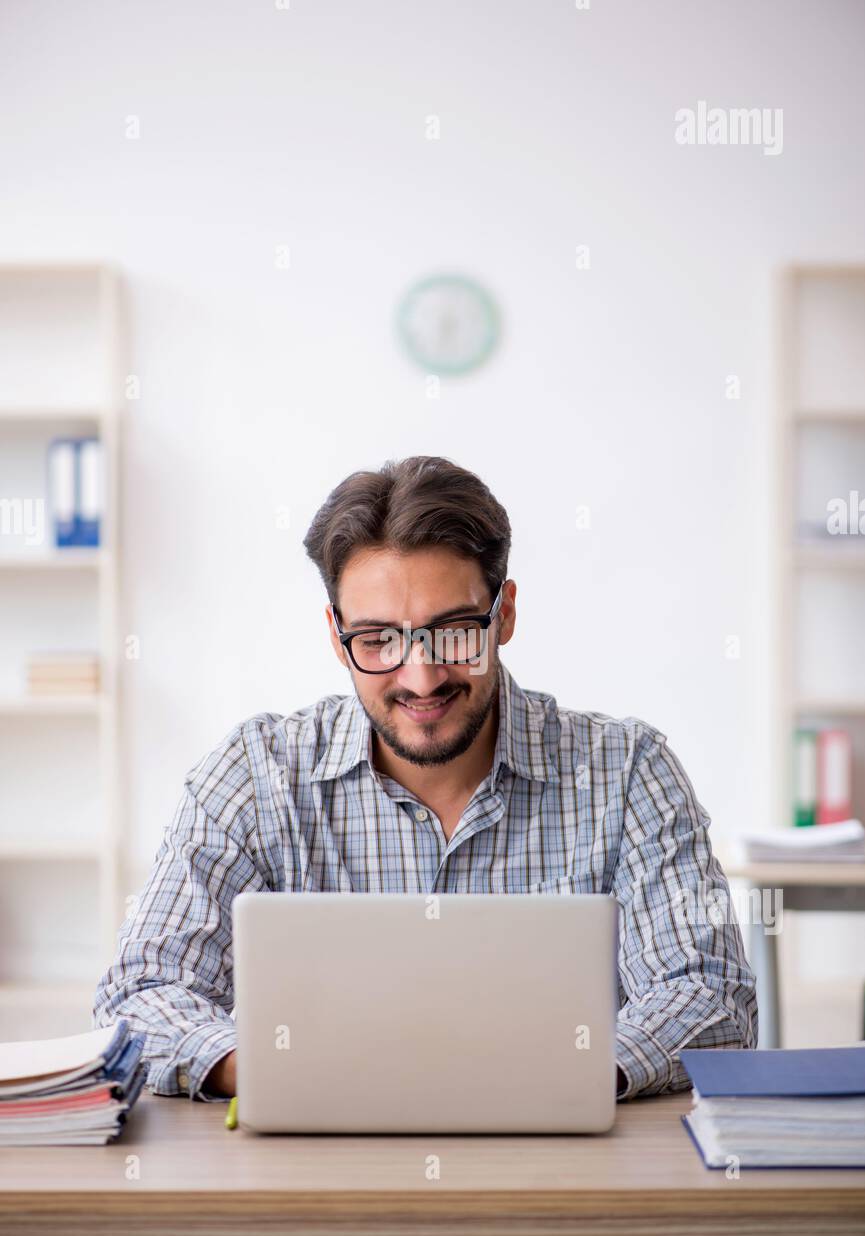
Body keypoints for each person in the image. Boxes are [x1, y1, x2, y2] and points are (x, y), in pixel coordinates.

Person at [94, 455, 757, 1103]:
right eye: (378, 640)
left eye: (455, 631)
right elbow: (141, 993)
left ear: (504, 615)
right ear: (335, 635)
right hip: (309, 1172)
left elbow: (710, 993)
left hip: (562, 1173)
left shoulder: (626, 772)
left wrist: (561, 1081)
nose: (421, 677)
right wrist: (280, 1073)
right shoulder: (254, 774)